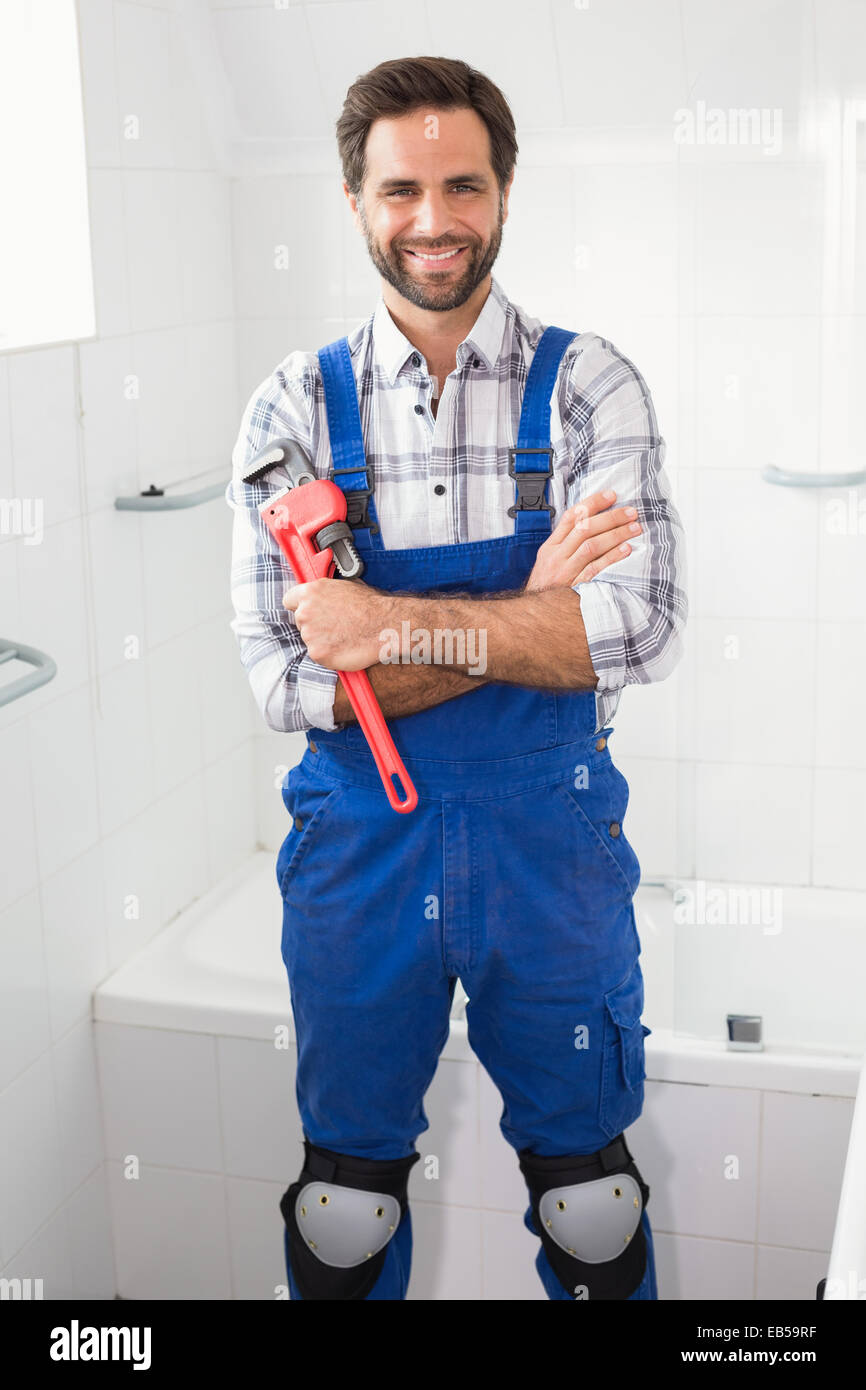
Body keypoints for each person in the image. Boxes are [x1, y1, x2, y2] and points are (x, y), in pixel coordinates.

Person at [225, 55, 687, 1301]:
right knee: (344, 1208)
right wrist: (532, 607)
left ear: (505, 188)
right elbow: (285, 680)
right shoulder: (288, 414)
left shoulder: (592, 385)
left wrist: (385, 626)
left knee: (588, 1199)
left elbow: (636, 634)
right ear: (353, 198)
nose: (434, 222)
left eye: (462, 186)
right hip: (359, 851)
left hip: (551, 842)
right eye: (401, 190)